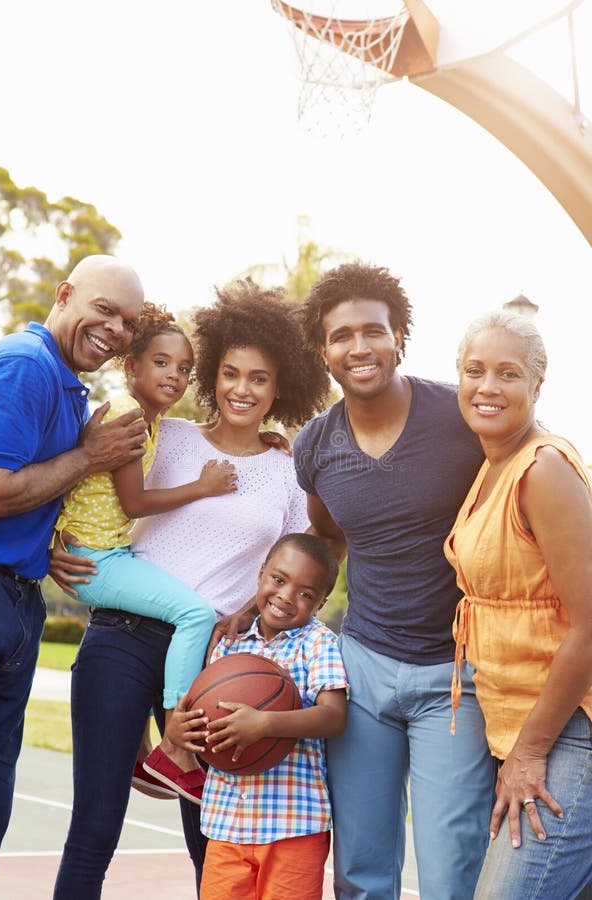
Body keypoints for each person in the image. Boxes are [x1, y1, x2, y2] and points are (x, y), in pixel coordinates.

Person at [49, 278, 330, 898]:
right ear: (212, 375)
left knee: (208, 830)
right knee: (96, 824)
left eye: (259, 379)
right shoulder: (162, 433)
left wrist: (252, 608)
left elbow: (300, 566)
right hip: (121, 642)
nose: (242, 389)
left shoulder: (287, 470)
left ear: (279, 388)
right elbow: (83, 488)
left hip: (213, 662)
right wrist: (52, 542)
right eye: (230, 373)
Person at [290, 262, 497, 900]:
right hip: (363, 673)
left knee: (450, 873)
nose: (359, 347)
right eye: (342, 335)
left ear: (399, 336)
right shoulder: (315, 448)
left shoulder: (461, 418)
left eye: (373, 331)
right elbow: (327, 536)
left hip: (453, 677)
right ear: (322, 350)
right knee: (361, 872)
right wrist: (270, 603)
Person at [0, 254, 146, 875]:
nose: (114, 329)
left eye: (128, 321)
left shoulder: (64, 383)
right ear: (64, 295)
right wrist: (89, 457)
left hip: (19, 600)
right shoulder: (25, 367)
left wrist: (46, 543)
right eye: (103, 309)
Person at [54, 301, 237, 802]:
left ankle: (140, 750)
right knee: (195, 613)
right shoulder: (128, 419)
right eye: (162, 363)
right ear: (131, 364)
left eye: (184, 369)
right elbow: (134, 502)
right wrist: (203, 487)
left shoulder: (154, 422)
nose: (175, 376)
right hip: (94, 559)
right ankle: (176, 750)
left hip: (111, 553)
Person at [445, 310, 592, 900]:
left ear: (537, 384)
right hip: (521, 728)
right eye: (474, 370)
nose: (487, 387)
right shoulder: (492, 466)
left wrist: (529, 753)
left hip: (570, 731)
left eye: (508, 373)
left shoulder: (544, 470)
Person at [172, 532, 347, 900]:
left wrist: (265, 724)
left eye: (305, 593)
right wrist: (182, 729)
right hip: (226, 824)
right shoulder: (229, 646)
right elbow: (201, 715)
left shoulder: (318, 643)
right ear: (261, 573)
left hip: (293, 826)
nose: (286, 597)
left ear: (321, 602)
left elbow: (333, 717)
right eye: (279, 580)